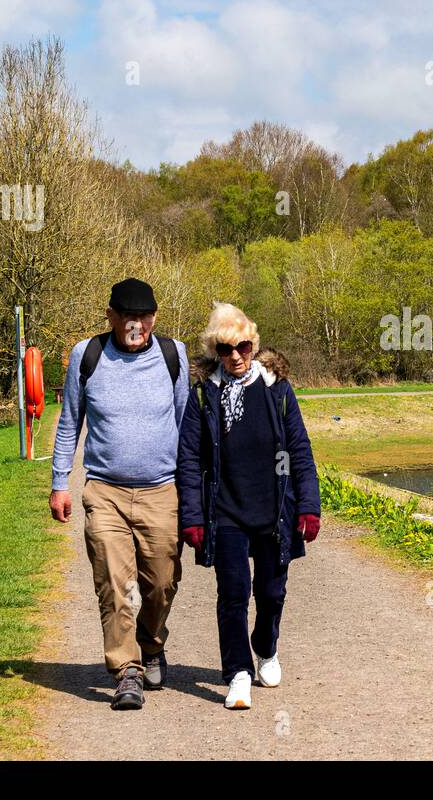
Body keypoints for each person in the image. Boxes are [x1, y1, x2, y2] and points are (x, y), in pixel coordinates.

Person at [49, 278, 189, 710]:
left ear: (154, 318)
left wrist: (196, 490)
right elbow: (70, 421)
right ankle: (127, 670)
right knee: (114, 583)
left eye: (144, 317)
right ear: (110, 316)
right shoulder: (86, 355)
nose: (136, 325)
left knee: (161, 582)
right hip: (104, 491)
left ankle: (150, 645)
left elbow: (187, 425)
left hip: (162, 490)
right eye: (127, 316)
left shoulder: (173, 354)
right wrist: (59, 482)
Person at [177, 305, 320, 710]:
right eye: (225, 348)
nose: (235, 356)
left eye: (242, 346)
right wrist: (192, 517)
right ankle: (238, 673)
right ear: (215, 350)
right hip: (226, 512)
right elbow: (188, 457)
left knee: (272, 591)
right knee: (234, 592)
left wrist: (308, 505)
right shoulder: (205, 394)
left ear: (253, 346)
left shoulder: (277, 390)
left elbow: (300, 451)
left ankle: (266, 647)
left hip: (275, 510)